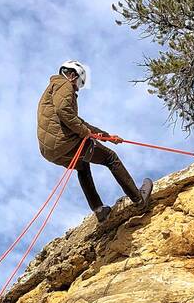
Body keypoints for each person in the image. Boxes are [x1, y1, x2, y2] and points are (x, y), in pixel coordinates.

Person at [37, 61, 153, 222]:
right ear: (72, 75)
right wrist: (84, 133)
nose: (77, 88)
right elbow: (64, 111)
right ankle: (139, 199)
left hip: (50, 151)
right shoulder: (64, 84)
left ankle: (100, 211)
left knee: (82, 166)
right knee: (110, 158)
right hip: (64, 141)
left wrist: (107, 137)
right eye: (78, 84)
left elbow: (77, 121)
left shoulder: (51, 90)